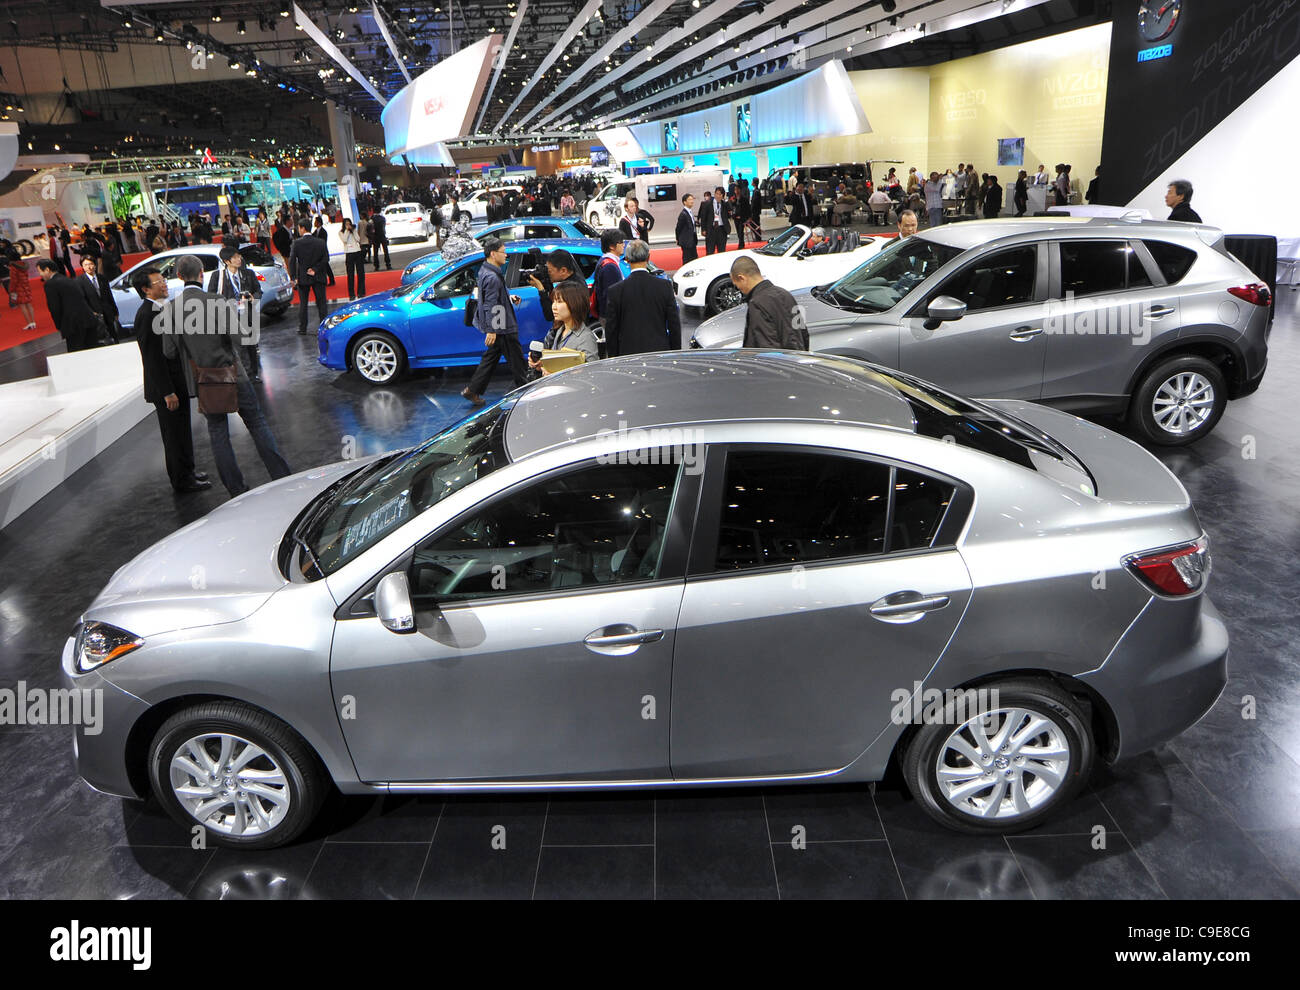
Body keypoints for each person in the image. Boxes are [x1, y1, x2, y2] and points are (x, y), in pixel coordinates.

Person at [159, 255, 292, 498]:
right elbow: (242, 338)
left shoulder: (171, 309)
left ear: (179, 276)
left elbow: (168, 351)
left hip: (203, 379)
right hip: (232, 372)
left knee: (218, 431)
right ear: (201, 274)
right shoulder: (216, 301)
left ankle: (236, 489)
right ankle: (281, 477)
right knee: (256, 423)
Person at [131, 266, 209, 493]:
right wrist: (167, 391)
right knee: (173, 435)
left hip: (177, 382)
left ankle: (189, 471)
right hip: (167, 388)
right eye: (158, 282)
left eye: (163, 280)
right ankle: (182, 480)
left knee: (182, 431)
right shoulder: (147, 316)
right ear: (146, 289)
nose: (164, 284)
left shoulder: (160, 310)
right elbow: (152, 359)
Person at [462, 237, 527, 406]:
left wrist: (509, 296)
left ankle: (473, 390)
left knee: (491, 357)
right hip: (503, 326)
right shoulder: (492, 276)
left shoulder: (486, 270)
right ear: (493, 253)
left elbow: (495, 295)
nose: (506, 255)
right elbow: (491, 304)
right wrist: (493, 329)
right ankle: (526, 392)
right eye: (503, 252)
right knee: (517, 361)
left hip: (499, 324)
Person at [603, 239, 681, 357]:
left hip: (628, 356)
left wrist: (614, 358)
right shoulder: (664, 286)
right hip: (660, 353)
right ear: (648, 258)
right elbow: (674, 325)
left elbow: (611, 331)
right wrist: (675, 354)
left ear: (627, 259)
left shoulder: (615, 291)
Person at [207, 245, 263, 381]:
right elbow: (211, 296)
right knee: (237, 347)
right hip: (229, 316)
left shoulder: (248, 273)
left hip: (247, 314)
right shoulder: (218, 276)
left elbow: (258, 291)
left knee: (251, 345)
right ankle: (241, 375)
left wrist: (252, 297)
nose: (239, 259)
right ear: (227, 261)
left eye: (239, 256)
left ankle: (253, 374)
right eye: (235, 257)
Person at [528, 280, 602, 380]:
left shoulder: (585, 338)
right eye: (553, 301)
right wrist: (541, 366)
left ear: (574, 304)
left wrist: (555, 376)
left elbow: (591, 376)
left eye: (559, 301)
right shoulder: (559, 331)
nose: (554, 307)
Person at [729, 255, 806, 350]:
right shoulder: (786, 294)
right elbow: (803, 333)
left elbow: (767, 347)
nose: (739, 289)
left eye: (737, 285)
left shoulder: (757, 304)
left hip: (780, 363)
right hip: (799, 359)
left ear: (742, 278)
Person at [288, 219, 330, 335]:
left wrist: (293, 277)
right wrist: (315, 269)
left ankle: (303, 328)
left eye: (299, 228)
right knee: (321, 303)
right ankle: (324, 327)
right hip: (318, 275)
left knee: (303, 303)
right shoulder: (320, 242)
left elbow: (292, 261)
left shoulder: (296, 243)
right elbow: (326, 259)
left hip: (303, 277)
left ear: (302, 228)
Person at [524, 248, 584, 323]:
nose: (548, 274)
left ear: (563, 270)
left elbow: (550, 315)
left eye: (550, 271)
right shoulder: (576, 279)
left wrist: (541, 289)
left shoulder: (571, 288)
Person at [592, 229, 624, 321]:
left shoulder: (605, 262)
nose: (623, 244)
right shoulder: (609, 267)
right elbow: (610, 297)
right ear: (611, 246)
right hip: (611, 318)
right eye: (620, 242)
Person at [7, 249, 35, 331]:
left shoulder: (13, 267)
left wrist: (11, 290)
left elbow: (14, 280)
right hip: (26, 286)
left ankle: (29, 323)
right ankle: (33, 322)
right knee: (29, 305)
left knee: (23, 306)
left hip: (18, 288)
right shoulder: (24, 265)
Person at [339, 218, 366, 300]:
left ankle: (361, 292)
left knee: (360, 273)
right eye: (346, 224)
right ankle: (351, 294)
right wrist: (347, 231)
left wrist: (353, 231)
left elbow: (358, 239)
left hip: (357, 251)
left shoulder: (354, 230)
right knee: (350, 274)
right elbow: (344, 240)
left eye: (349, 223)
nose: (348, 225)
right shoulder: (341, 232)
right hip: (349, 253)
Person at [699, 186, 729, 255]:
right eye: (717, 194)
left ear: (723, 195)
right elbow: (703, 217)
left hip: (722, 230)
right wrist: (703, 229)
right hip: (711, 229)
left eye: (720, 194)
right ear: (715, 194)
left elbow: (729, 214)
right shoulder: (707, 203)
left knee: (722, 252)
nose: (718, 196)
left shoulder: (724, 204)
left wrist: (726, 201)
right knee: (710, 251)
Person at [676, 193, 699, 267]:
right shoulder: (683, 214)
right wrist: (678, 238)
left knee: (694, 258)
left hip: (691, 240)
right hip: (686, 241)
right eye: (689, 199)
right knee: (687, 259)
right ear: (684, 202)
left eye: (692, 199)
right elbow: (678, 228)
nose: (692, 201)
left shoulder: (689, 212)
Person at [312, 216, 336, 286]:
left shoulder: (323, 232)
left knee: (326, 267)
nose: (314, 223)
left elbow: (323, 242)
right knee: (323, 267)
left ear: (319, 223)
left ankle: (331, 280)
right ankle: (324, 280)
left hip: (322, 252)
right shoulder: (316, 231)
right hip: (318, 253)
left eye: (315, 222)